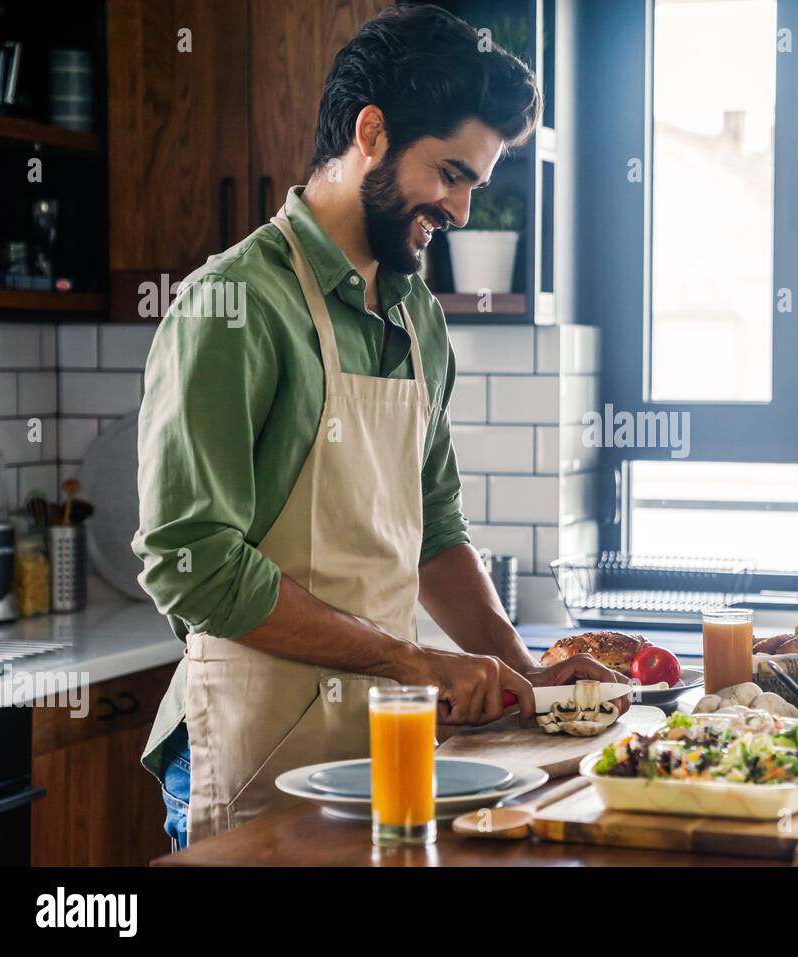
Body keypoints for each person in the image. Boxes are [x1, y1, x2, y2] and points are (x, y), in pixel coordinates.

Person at [133, 4, 624, 850]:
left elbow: (434, 532)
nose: (463, 211)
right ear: (372, 131)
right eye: (451, 173)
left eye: (475, 182)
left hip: (381, 753)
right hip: (249, 752)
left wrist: (525, 672)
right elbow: (191, 562)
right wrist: (409, 660)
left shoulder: (418, 318)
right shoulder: (234, 305)